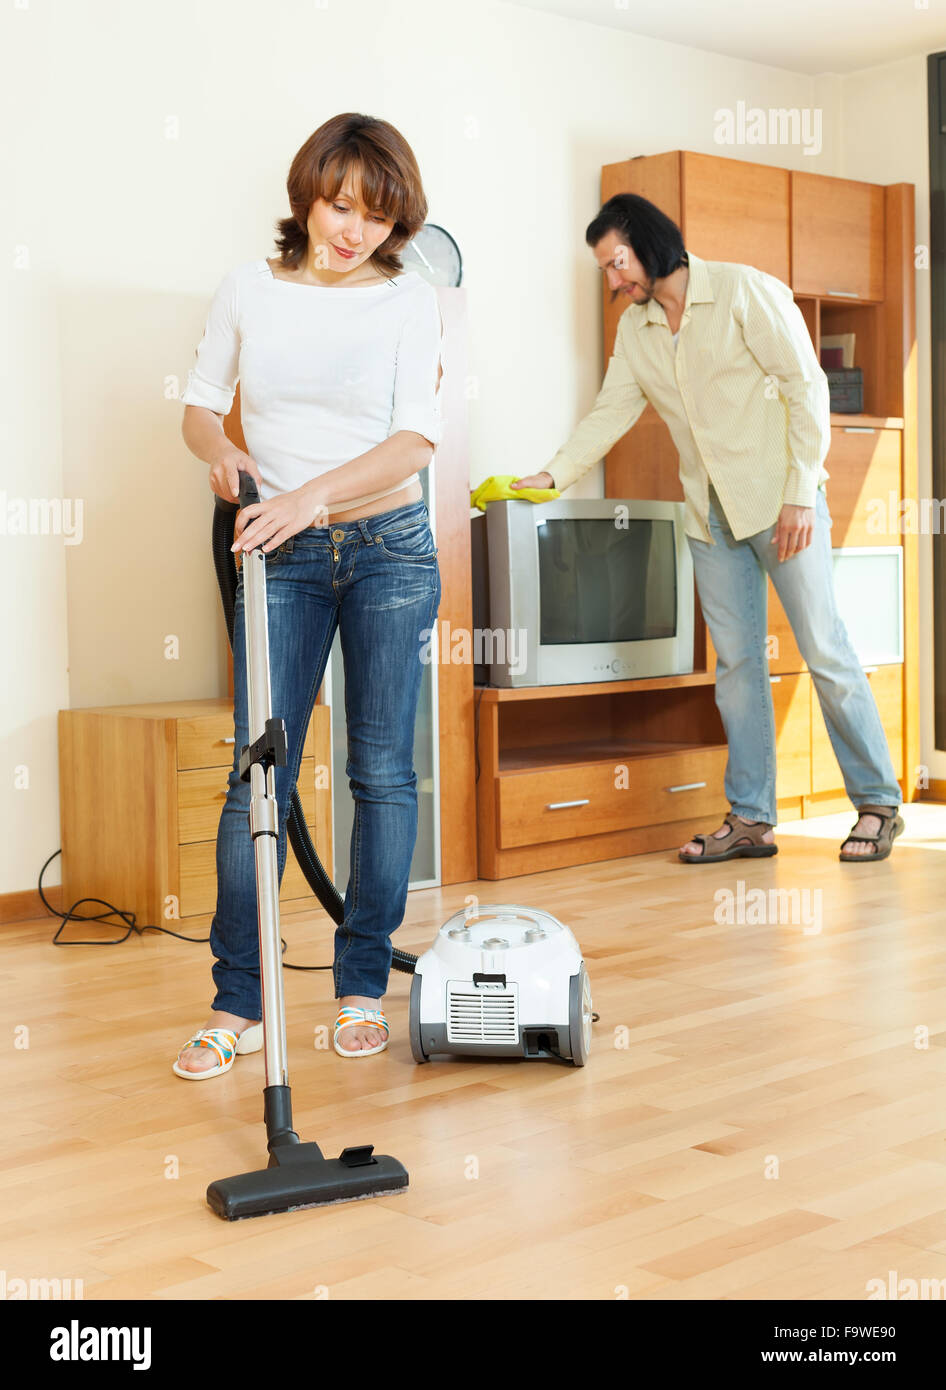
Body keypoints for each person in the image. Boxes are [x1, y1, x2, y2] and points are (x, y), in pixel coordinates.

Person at [513, 193, 903, 865]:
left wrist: (799, 492)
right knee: (738, 667)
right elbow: (612, 411)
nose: (613, 280)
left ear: (648, 241)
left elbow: (806, 386)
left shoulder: (743, 291)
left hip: (783, 503)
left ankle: (878, 803)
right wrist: (553, 475)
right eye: (606, 270)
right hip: (709, 514)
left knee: (825, 650)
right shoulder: (636, 332)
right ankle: (752, 819)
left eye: (617, 262)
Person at [174, 113, 444, 1076]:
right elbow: (200, 409)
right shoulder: (250, 287)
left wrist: (304, 497)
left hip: (389, 550)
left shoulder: (410, 301)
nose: (352, 231)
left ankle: (362, 985)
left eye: (375, 215)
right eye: (339, 206)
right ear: (308, 195)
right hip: (278, 557)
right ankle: (238, 1002)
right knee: (260, 777)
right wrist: (226, 452)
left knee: (379, 773)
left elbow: (415, 442)